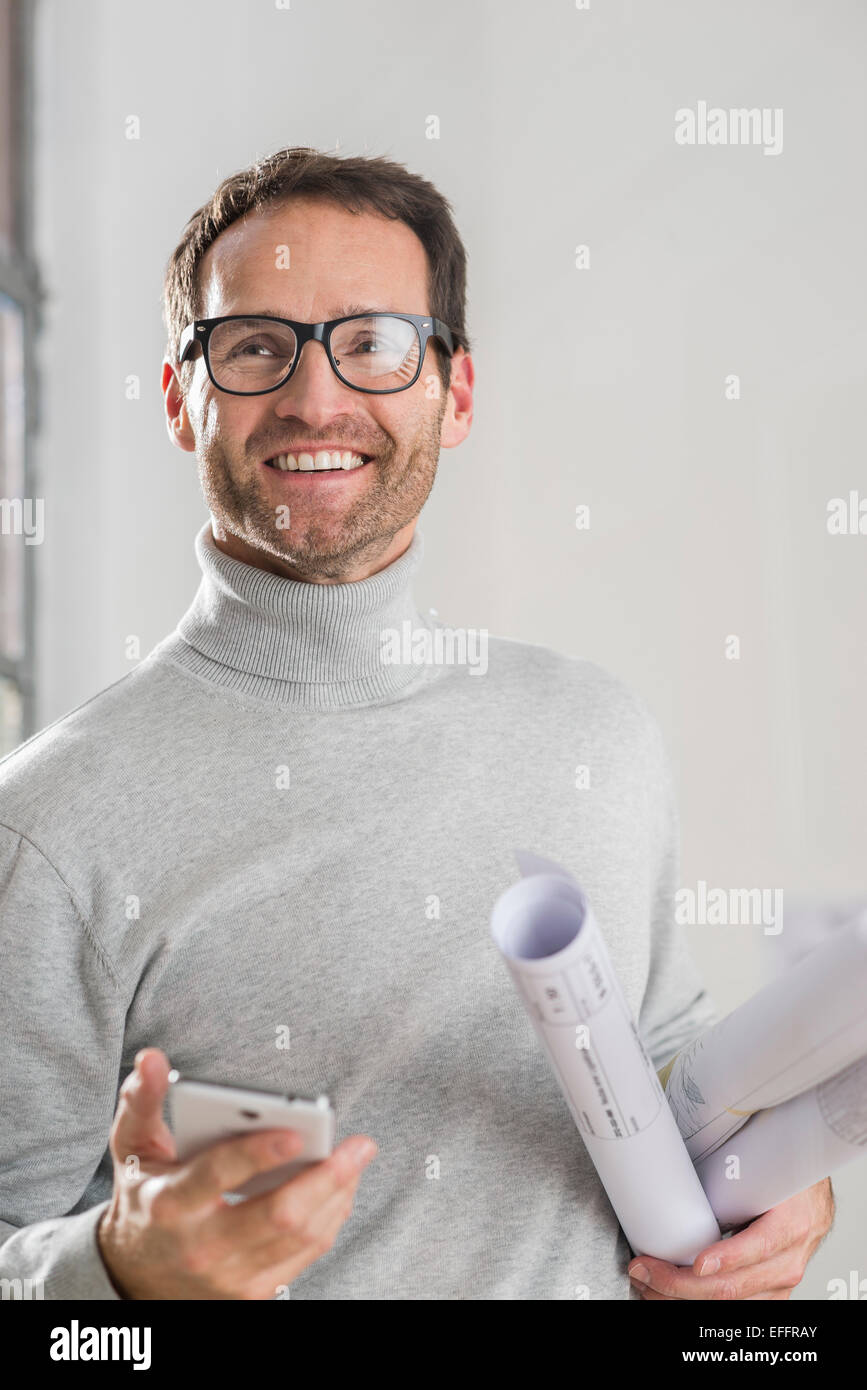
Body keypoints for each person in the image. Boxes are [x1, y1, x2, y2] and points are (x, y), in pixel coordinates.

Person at [0, 146, 832, 1300]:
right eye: (254, 346)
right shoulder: (51, 820)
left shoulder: (598, 732)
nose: (315, 397)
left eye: (376, 342)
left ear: (458, 391)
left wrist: (782, 1197)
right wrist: (115, 1273)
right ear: (183, 401)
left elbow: (663, 1063)